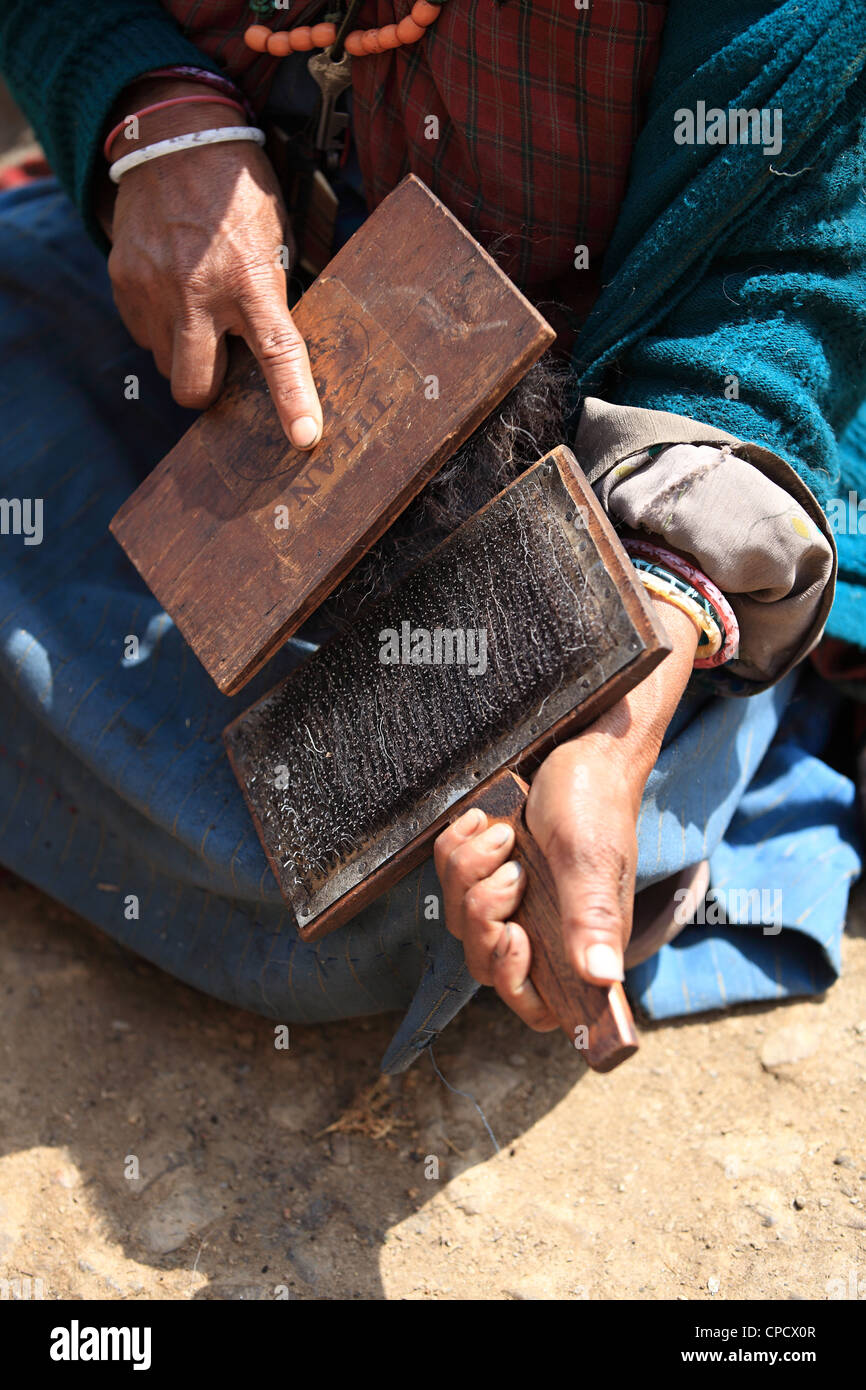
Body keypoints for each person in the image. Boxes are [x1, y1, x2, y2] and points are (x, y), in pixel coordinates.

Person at [0, 0, 862, 1071]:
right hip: (214, 347)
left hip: (586, 469)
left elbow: (761, 302)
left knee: (416, 862)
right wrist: (151, 118)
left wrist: (608, 742)